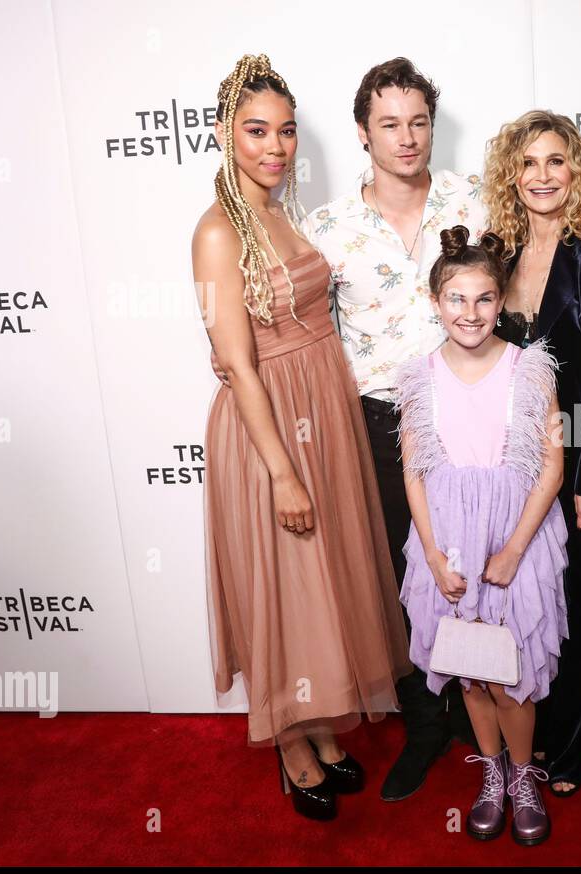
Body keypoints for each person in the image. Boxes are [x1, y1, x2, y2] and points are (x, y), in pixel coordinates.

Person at [219, 58, 486, 800]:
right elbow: (281, 316)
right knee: (398, 578)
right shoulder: (324, 229)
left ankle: (477, 710)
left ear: (434, 127)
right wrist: (244, 366)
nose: (406, 138)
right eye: (389, 124)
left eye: (419, 122)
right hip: (376, 423)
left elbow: (549, 239)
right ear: (364, 133)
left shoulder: (476, 197)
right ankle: (423, 723)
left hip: (471, 422)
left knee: (474, 567)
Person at [194, 54, 411, 821]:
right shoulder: (218, 233)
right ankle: (290, 741)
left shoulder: (284, 213)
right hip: (269, 429)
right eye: (256, 131)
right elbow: (236, 364)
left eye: (285, 131)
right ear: (225, 135)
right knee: (281, 585)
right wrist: (282, 472)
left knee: (322, 578)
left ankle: (317, 722)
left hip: (324, 409)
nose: (275, 147)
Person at [394, 225, 569, 845]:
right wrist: (436, 557)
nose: (470, 314)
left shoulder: (530, 368)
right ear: (435, 302)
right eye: (456, 300)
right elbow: (414, 473)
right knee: (470, 669)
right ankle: (490, 772)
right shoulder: (419, 376)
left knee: (511, 669)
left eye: (484, 299)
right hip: (449, 538)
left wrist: (515, 549)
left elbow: (552, 465)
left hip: (514, 535)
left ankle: (524, 776)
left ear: (502, 302)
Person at [485, 110, 581, 795]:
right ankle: (526, 743)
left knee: (579, 615)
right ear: (510, 176)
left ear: (574, 170)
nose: (542, 176)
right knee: (525, 610)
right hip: (510, 475)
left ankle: (570, 750)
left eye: (556, 161)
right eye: (529, 163)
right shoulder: (499, 253)